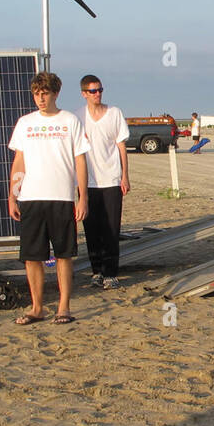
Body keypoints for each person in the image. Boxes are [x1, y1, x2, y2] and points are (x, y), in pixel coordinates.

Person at [7, 72, 89, 325]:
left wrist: (82, 196)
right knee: (32, 256)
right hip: (31, 197)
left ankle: (63, 307)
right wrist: (13, 195)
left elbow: (80, 159)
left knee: (64, 254)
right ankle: (37, 307)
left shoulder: (70, 121)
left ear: (55, 93)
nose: (40, 99)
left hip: (61, 197)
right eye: (36, 94)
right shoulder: (25, 123)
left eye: (44, 94)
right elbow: (19, 160)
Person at [78, 74, 130, 290]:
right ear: (84, 94)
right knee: (92, 229)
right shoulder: (77, 117)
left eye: (99, 90)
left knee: (111, 229)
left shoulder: (114, 113)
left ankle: (111, 273)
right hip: (87, 182)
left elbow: (121, 146)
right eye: (92, 91)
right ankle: (96, 271)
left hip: (111, 180)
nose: (97, 94)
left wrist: (125, 175)